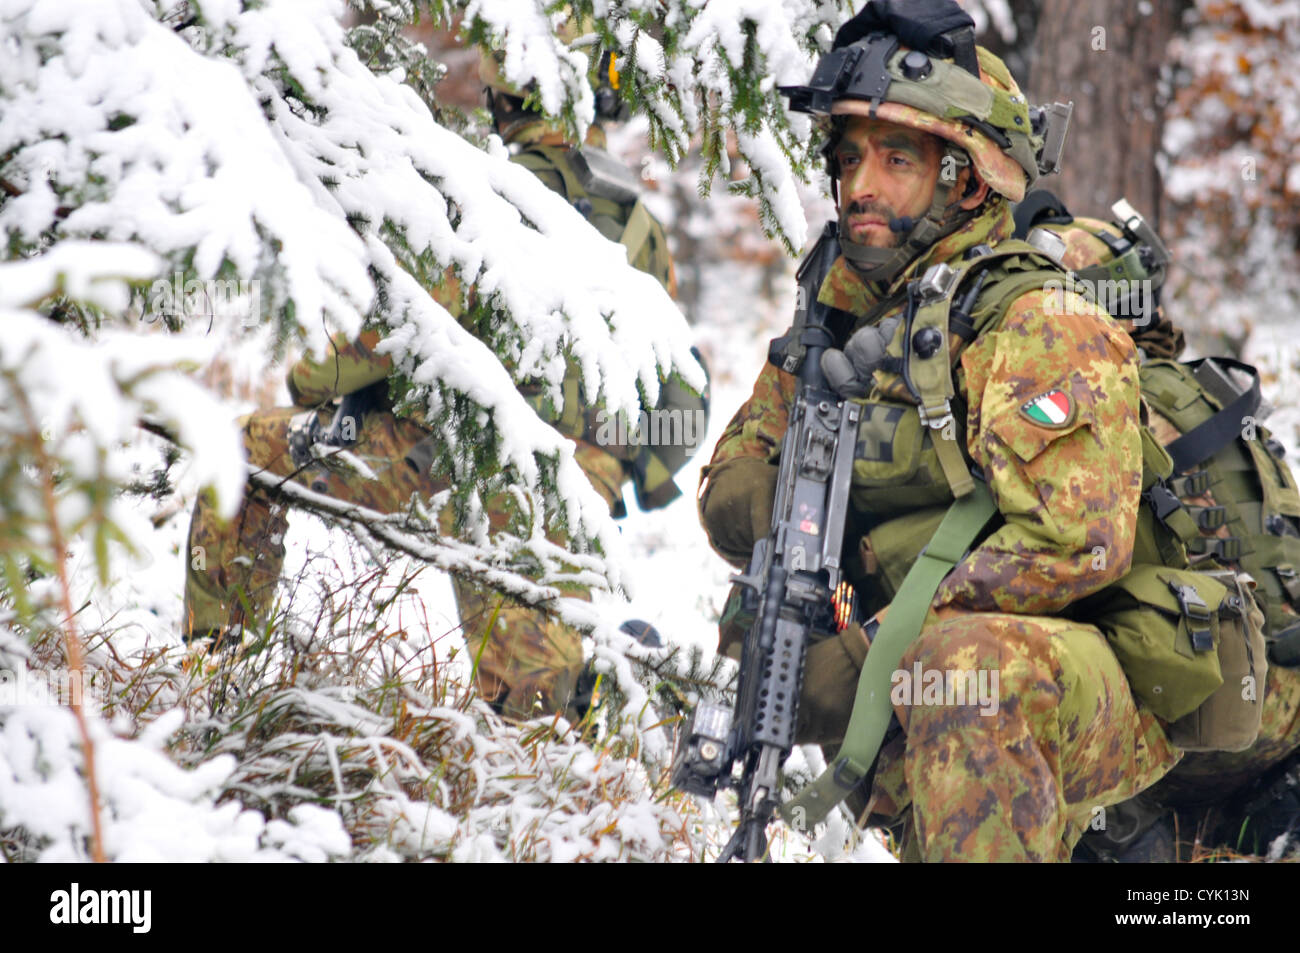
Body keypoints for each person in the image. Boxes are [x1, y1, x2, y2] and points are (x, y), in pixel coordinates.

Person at [698, 0, 1183, 861]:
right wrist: (806, 522)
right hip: (934, 651)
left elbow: (1076, 545)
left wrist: (875, 649)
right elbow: (732, 481)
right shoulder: (837, 312)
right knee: (767, 610)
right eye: (849, 159)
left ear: (966, 176)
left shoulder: (1033, 315)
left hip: (1108, 672)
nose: (861, 187)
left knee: (962, 667)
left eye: (896, 159)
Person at [182, 41, 706, 722]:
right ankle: (620, 711)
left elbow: (376, 343)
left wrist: (312, 377)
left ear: (502, 96)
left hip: (464, 467)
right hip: (588, 484)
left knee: (245, 451)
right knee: (533, 699)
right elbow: (667, 374)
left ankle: (215, 673)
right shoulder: (637, 219)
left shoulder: (479, 196)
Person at [1014, 191, 1300, 860]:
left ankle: (1125, 836)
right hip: (1284, 710)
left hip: (1209, 725)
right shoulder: (1211, 390)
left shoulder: (1086, 410)